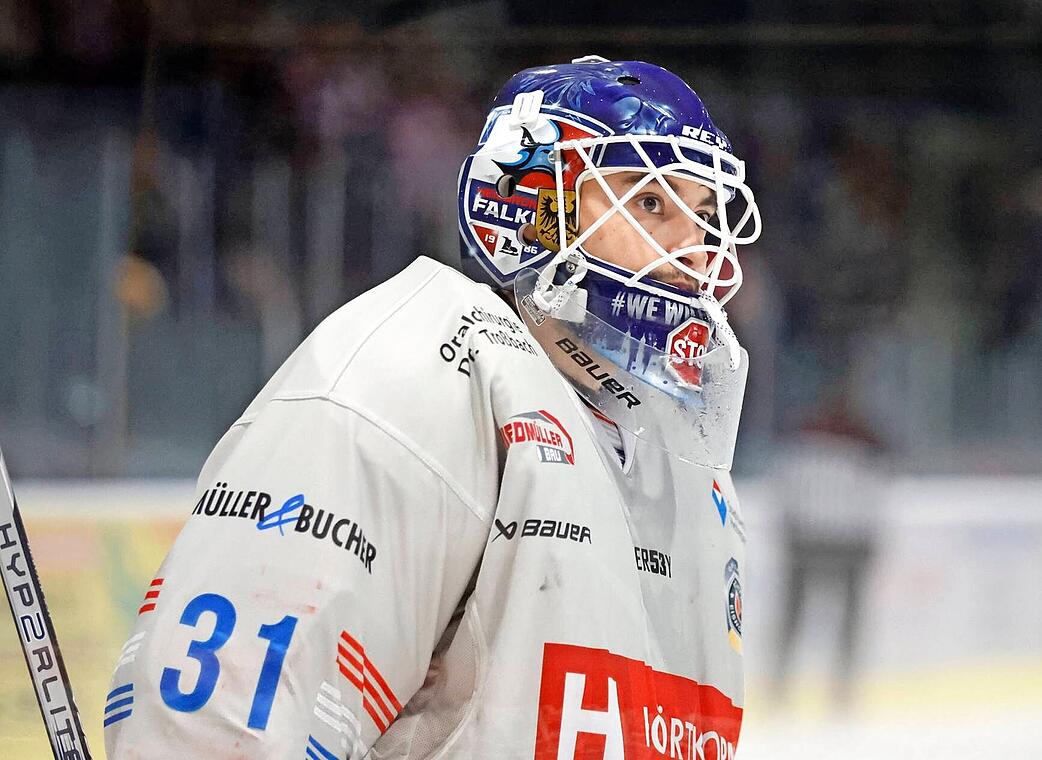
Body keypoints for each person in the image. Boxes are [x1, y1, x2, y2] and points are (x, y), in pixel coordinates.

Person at [104, 55, 762, 759]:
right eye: (652, 202)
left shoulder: (676, 452)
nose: (693, 250)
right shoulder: (412, 377)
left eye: (703, 214)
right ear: (529, 202)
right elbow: (223, 728)